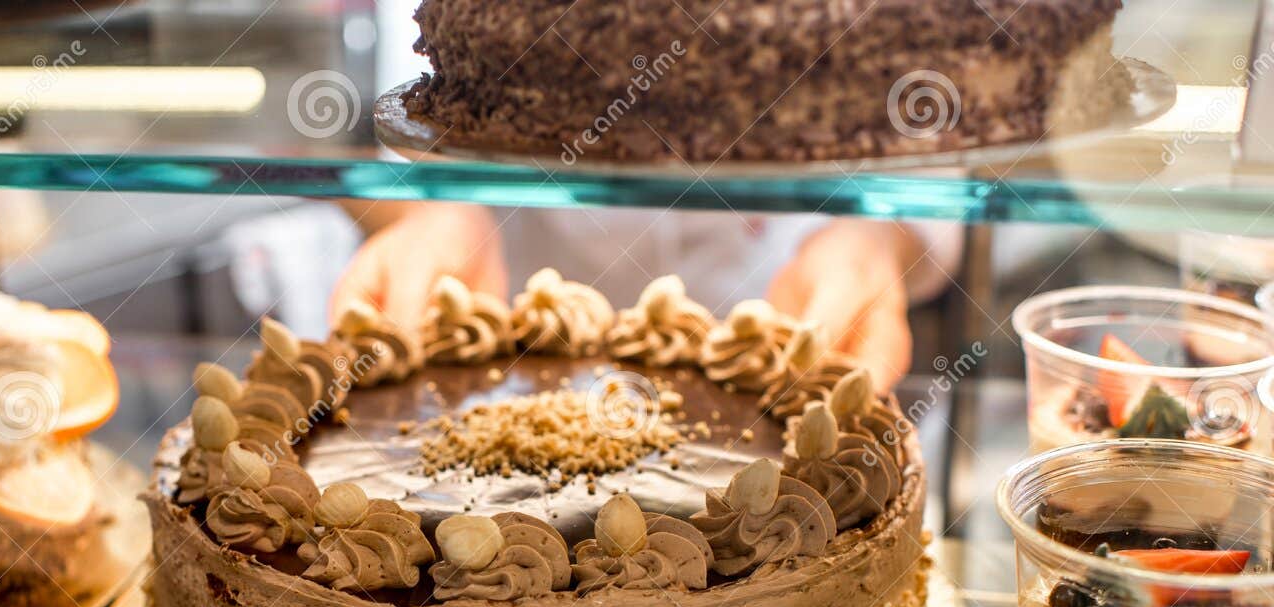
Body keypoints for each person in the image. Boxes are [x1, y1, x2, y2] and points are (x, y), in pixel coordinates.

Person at [331, 202, 961, 392]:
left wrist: (878, 232)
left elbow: (935, 126)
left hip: (796, 323)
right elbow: (416, 115)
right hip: (508, 360)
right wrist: (432, 206)